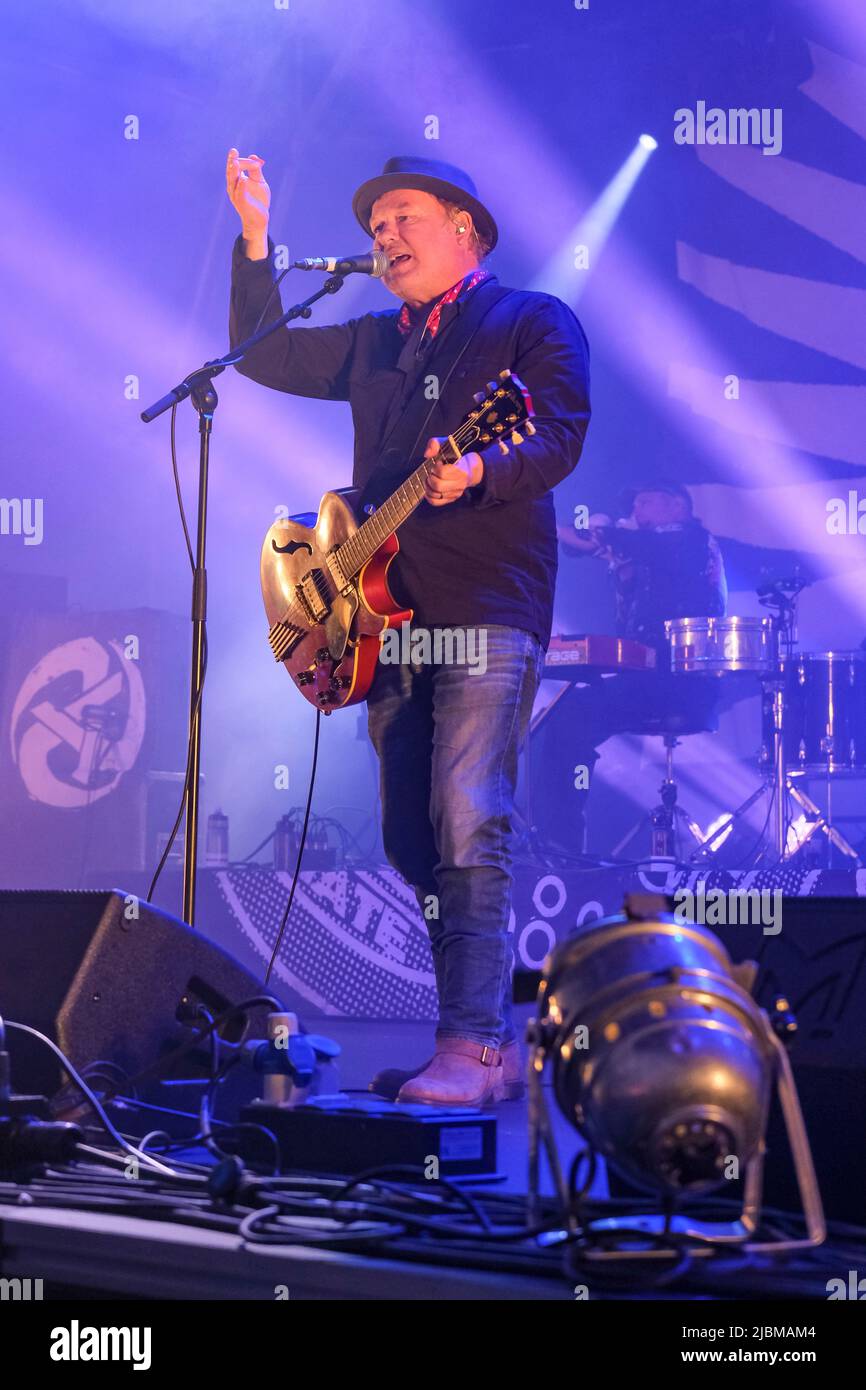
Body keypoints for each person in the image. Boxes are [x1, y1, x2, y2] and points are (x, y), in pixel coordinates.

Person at [226, 151, 591, 1104]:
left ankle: (469, 1048)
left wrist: (478, 471)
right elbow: (262, 354)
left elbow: (558, 433)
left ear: (465, 227)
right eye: (375, 226)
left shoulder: (529, 320)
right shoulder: (374, 343)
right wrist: (258, 238)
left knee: (470, 817)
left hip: (486, 602)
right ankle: (484, 1045)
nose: (383, 237)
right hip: (382, 620)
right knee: (408, 836)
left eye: (401, 218)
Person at [530, 480, 727, 856]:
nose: (637, 511)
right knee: (561, 720)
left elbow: (632, 543)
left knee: (570, 720)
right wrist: (552, 528)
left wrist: (606, 532)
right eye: (635, 504)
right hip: (645, 678)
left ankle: (562, 844)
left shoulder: (692, 541)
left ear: (676, 507)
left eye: (646, 501)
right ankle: (557, 840)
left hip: (682, 682)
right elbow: (582, 546)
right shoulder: (644, 546)